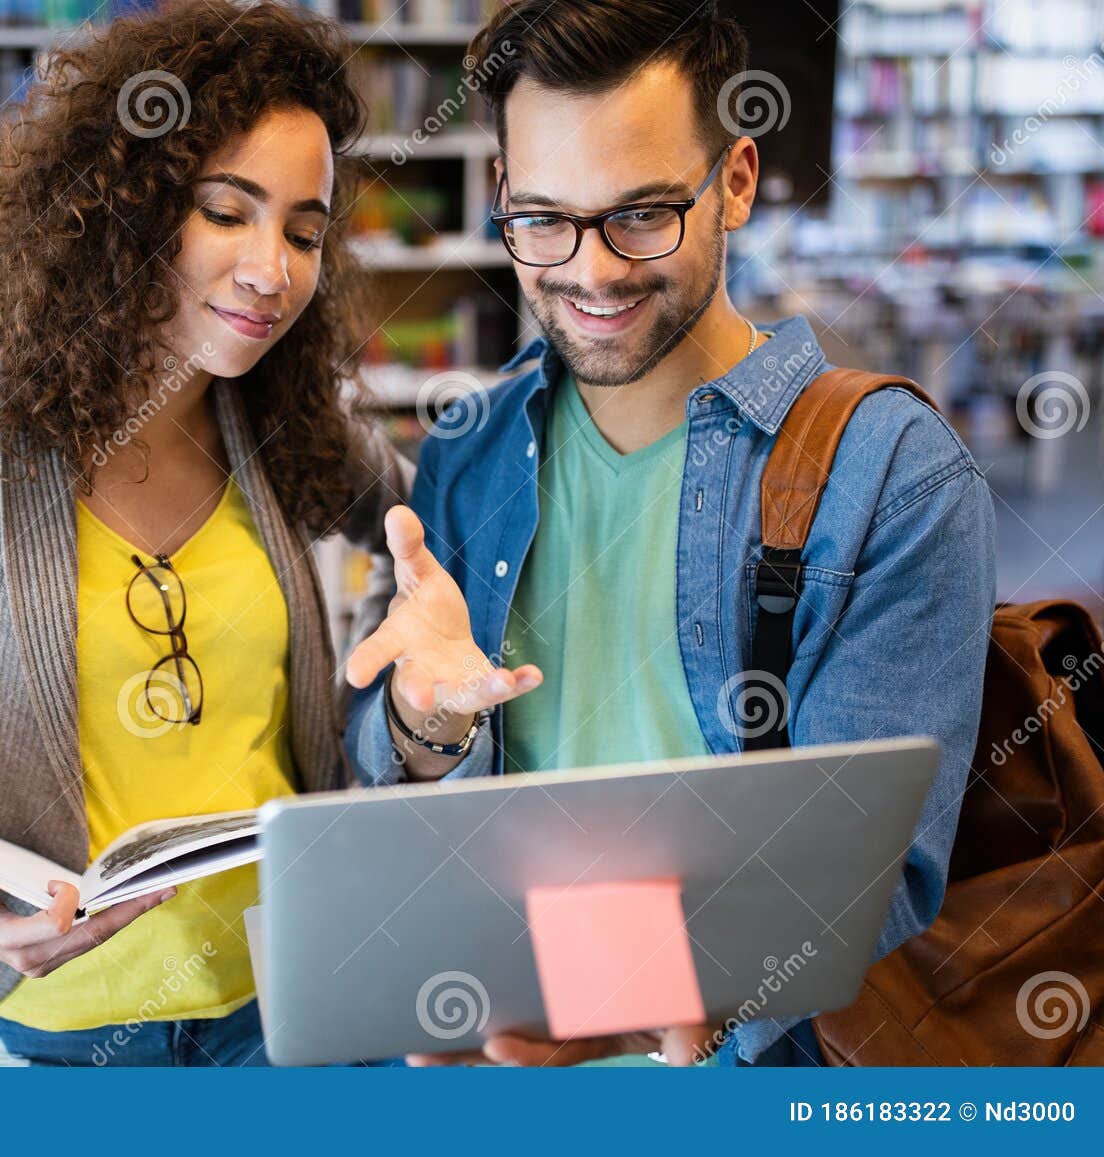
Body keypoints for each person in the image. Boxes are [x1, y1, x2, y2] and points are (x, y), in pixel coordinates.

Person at [343, 0, 997, 1068]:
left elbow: (873, 866)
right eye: (544, 218)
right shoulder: (469, 449)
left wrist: (607, 994)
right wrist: (420, 720)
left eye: (642, 214)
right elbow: (392, 773)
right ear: (500, 194)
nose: (591, 272)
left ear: (734, 181)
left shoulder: (892, 473)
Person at [0, 0, 403, 1067]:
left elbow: (438, 532)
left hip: (290, 1007)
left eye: (306, 231)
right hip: (48, 1036)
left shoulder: (289, 433)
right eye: (228, 212)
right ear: (124, 210)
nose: (274, 268)